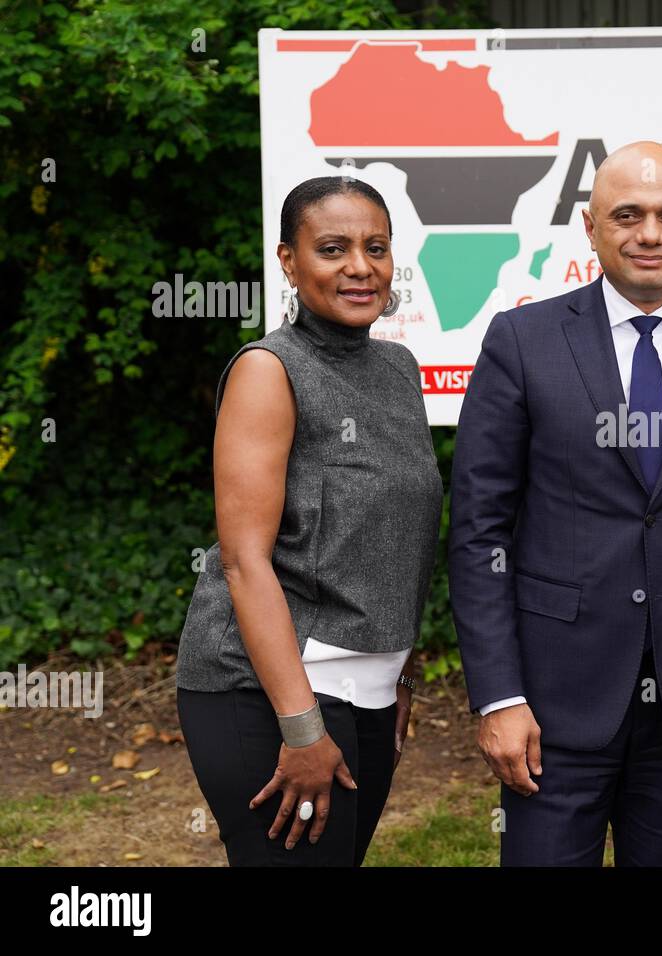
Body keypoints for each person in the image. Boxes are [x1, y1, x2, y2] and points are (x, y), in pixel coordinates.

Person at [449, 141, 662, 866]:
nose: (649, 234)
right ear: (590, 226)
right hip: (549, 703)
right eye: (627, 214)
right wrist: (499, 696)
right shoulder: (522, 340)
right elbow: (480, 531)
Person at [175, 177, 441, 866]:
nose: (360, 266)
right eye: (333, 248)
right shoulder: (270, 370)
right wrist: (300, 727)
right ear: (289, 262)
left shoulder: (398, 369)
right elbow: (244, 562)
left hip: (369, 698)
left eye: (375, 248)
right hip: (266, 697)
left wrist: (395, 676)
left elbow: (397, 539)